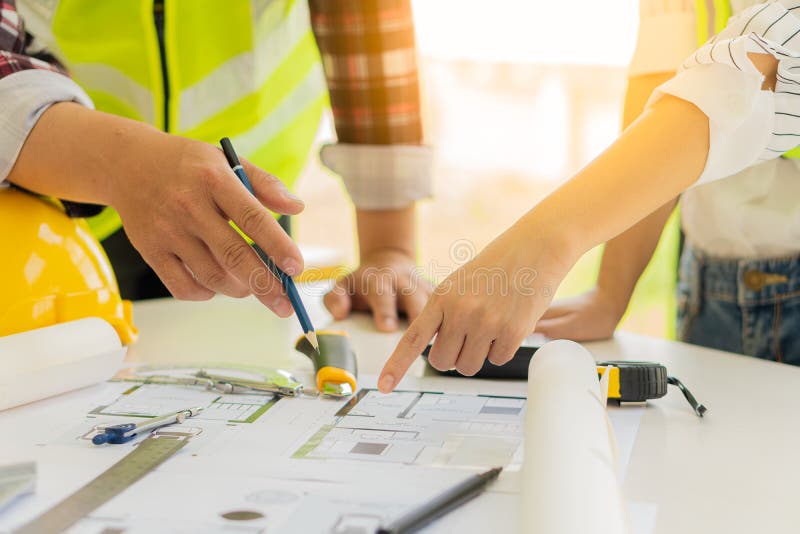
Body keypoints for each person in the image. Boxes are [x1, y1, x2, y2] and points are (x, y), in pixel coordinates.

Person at [379, 0, 800, 392]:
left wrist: (544, 243)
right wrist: (610, 291)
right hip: (710, 284)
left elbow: (765, 69)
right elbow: (665, 71)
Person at [1, 0, 432, 332]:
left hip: (246, 204)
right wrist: (120, 163)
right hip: (54, 201)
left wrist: (387, 247)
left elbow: (364, 17)